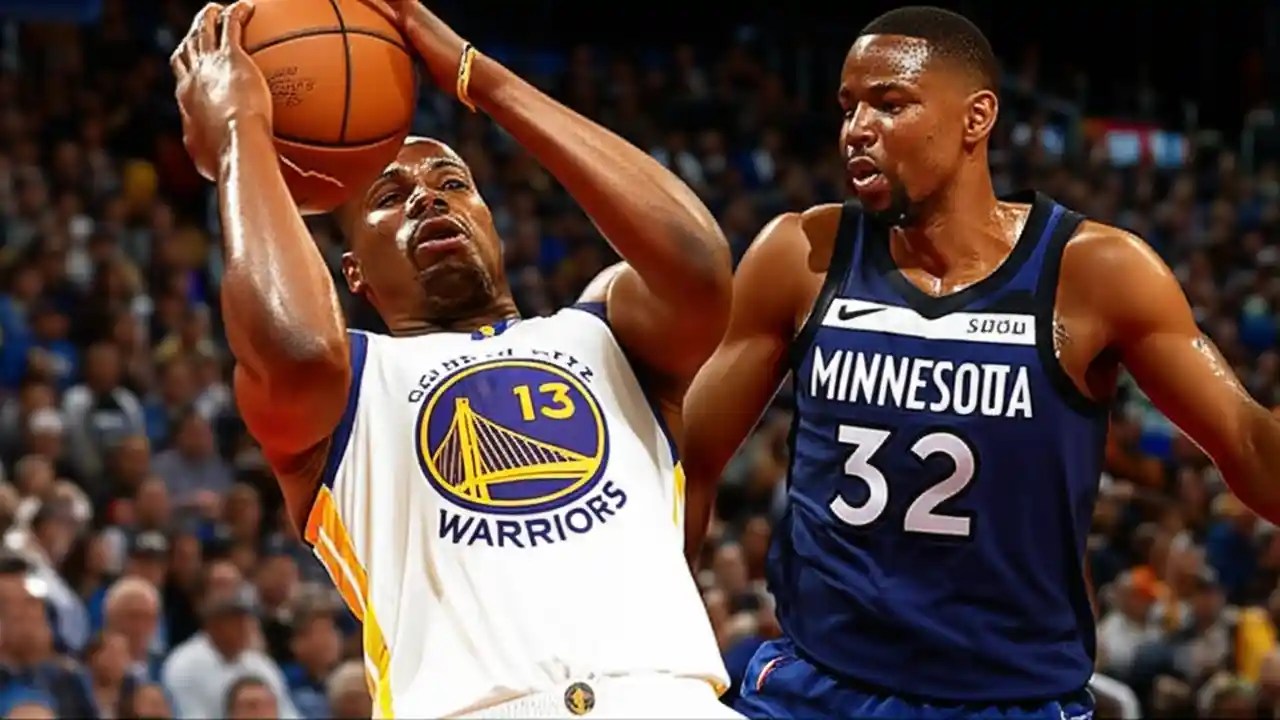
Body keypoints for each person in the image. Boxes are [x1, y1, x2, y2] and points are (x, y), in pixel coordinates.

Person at [682, 5, 1280, 719]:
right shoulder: (800, 254)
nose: (857, 129)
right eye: (848, 107)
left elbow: (1248, 447)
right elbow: (690, 459)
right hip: (816, 686)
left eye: (890, 103)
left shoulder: (1096, 272)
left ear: (977, 118)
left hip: (1008, 698)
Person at [170, 1, 735, 718]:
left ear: (492, 222)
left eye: (453, 184)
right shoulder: (350, 384)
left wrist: (479, 78)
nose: (429, 201)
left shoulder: (607, 331)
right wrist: (240, 135)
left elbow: (701, 267)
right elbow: (298, 347)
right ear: (352, 275)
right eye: (390, 195)